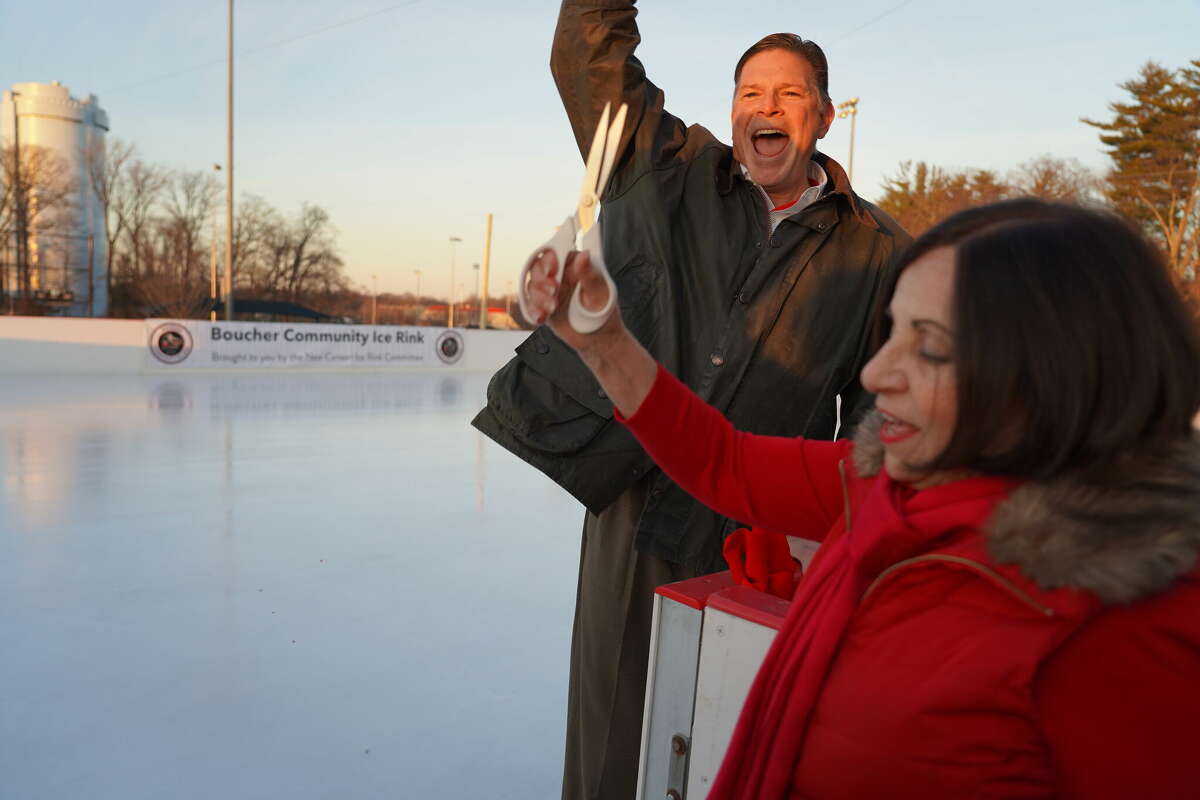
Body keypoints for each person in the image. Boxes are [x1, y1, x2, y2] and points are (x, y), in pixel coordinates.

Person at [524, 197, 1200, 798]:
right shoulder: (878, 482)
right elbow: (723, 462)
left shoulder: (1123, 626)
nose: (877, 372)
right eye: (892, 332)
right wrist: (603, 342)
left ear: (1056, 373)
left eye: (928, 347)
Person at [472, 5, 908, 796]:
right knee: (612, 732)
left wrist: (848, 543)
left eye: (786, 94)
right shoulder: (665, 167)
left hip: (763, 537)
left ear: (823, 116)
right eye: (749, 92)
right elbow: (587, 58)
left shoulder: (875, 250)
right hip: (633, 506)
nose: (764, 108)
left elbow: (881, 413)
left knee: (730, 741)